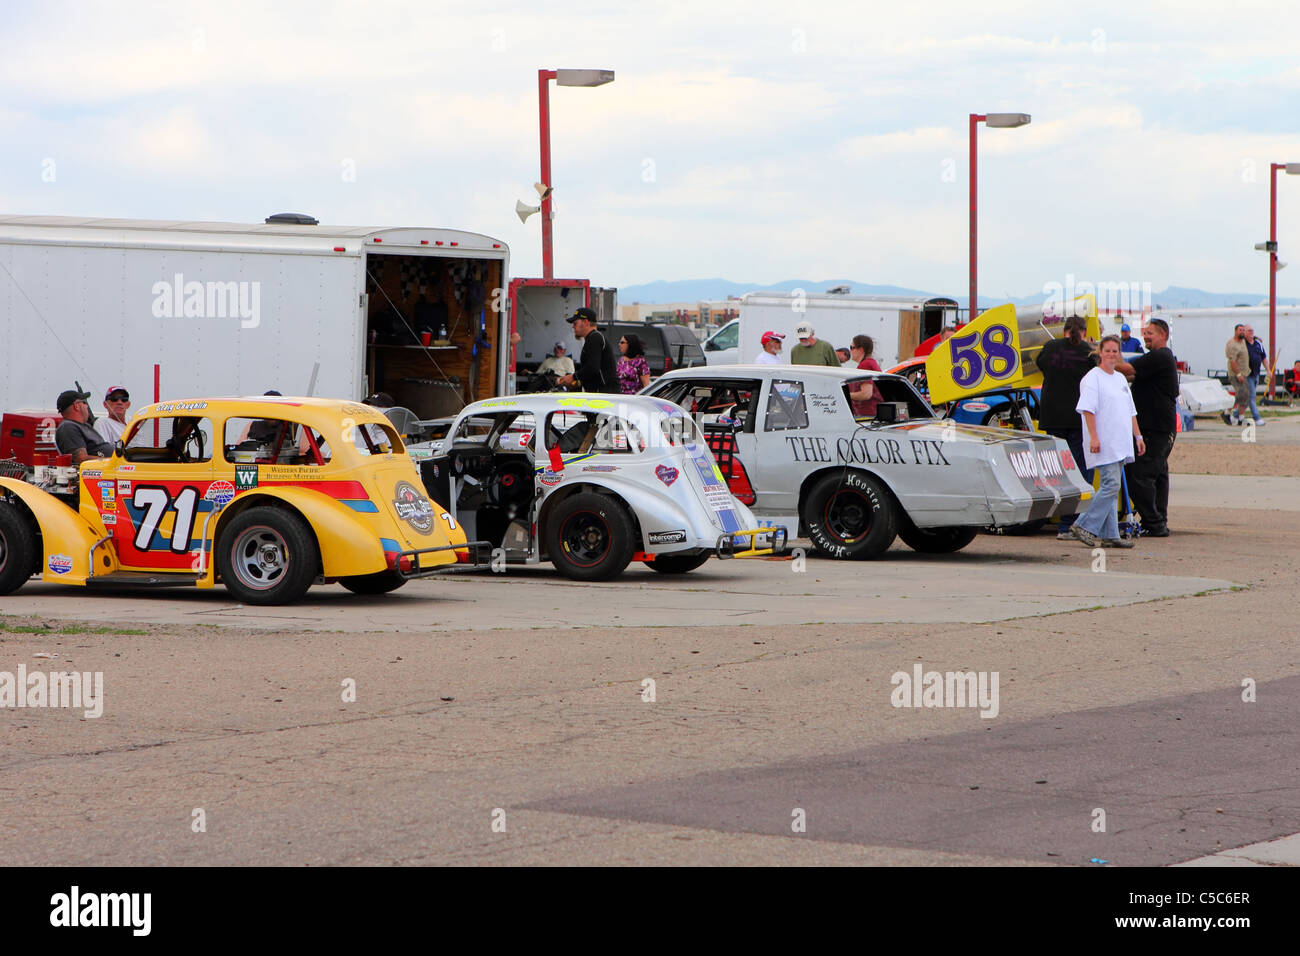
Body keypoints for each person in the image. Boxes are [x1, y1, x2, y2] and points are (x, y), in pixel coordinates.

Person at [1069, 336, 1143, 549]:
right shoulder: (1092, 378)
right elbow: (1087, 409)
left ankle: (1111, 534)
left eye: (1115, 351)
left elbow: (1131, 411)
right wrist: (1093, 436)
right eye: (1107, 350)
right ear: (1100, 352)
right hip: (1103, 442)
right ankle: (1084, 525)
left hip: (1120, 442)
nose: (1111, 354)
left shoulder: (1120, 379)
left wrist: (1137, 436)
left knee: (1110, 488)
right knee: (1111, 485)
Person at [1035, 315, 1098, 539]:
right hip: (1077, 419)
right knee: (1080, 471)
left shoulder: (1050, 347)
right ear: (1083, 331)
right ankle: (1072, 523)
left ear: (1064, 330)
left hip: (1052, 417)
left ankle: (1054, 518)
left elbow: (1040, 364)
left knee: (1057, 472)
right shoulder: (1088, 352)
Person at [1117, 318, 1179, 537]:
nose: (1145, 336)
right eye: (1144, 332)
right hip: (1160, 427)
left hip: (1156, 429)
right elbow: (1132, 374)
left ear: (1163, 334)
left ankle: (1154, 523)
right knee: (1158, 475)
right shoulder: (1157, 360)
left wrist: (1102, 356)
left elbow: (1125, 370)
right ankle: (1157, 520)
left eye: (1150, 332)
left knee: (1139, 475)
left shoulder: (1160, 356)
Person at [555, 307, 618, 394]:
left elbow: (592, 368)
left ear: (586, 322)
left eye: (575, 323)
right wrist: (577, 382)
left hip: (604, 394)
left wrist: (573, 377)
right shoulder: (592, 338)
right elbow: (592, 373)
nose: (573, 327)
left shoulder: (595, 338)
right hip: (601, 393)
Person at [55, 389, 114, 463]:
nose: (86, 406)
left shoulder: (84, 425)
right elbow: (81, 458)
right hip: (105, 470)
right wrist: (112, 461)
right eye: (84, 402)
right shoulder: (68, 427)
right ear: (76, 406)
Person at [1223, 324, 1251, 426]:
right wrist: (1238, 374)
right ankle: (1227, 413)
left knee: (1245, 395)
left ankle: (1240, 417)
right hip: (1236, 374)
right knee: (1241, 394)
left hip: (1245, 372)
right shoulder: (1232, 344)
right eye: (1240, 330)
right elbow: (1232, 361)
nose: (1242, 332)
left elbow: (1250, 337)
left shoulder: (1242, 341)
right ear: (1235, 331)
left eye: (1243, 330)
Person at [847, 334, 881, 419]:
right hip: (873, 413)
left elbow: (866, 394)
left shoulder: (865, 365)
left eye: (852, 347)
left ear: (861, 349)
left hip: (867, 415)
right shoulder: (871, 363)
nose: (850, 351)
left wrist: (845, 395)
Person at [1243, 325, 1267, 426]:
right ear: (1244, 332)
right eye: (1249, 331)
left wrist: (1268, 370)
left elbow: (1263, 357)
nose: (1251, 332)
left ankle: (1235, 416)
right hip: (1246, 374)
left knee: (1246, 397)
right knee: (1252, 396)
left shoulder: (1258, 344)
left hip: (1256, 373)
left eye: (1252, 330)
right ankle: (1257, 418)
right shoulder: (1242, 344)